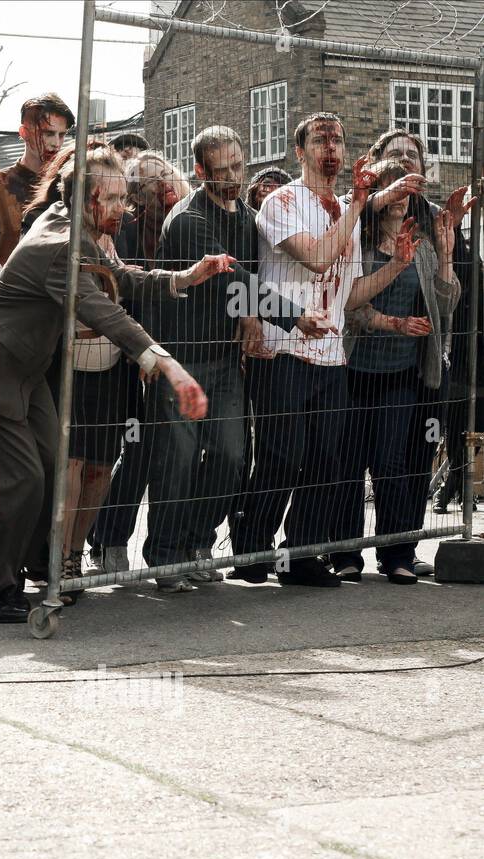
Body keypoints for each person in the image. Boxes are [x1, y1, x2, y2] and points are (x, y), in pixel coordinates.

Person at [0, 142, 226, 622]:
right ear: (87, 197)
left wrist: (184, 278)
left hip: (23, 366)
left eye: (124, 198)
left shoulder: (75, 226)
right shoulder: (59, 247)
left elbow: (117, 279)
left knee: (49, 468)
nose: (124, 209)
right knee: (23, 478)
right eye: (113, 200)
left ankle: (24, 570)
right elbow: (106, 312)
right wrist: (170, 367)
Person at [143, 126, 325, 592]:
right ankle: (164, 555)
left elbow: (245, 281)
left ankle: (198, 541)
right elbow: (230, 277)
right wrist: (293, 316)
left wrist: (248, 320)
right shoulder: (187, 220)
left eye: (237, 167)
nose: (233, 178)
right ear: (200, 171)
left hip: (224, 361)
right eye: (221, 171)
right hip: (181, 358)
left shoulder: (247, 218)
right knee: (178, 458)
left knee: (231, 454)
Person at [230, 113, 400, 587]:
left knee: (327, 460)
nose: (331, 147)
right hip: (283, 351)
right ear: (299, 152)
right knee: (282, 455)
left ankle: (299, 555)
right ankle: (250, 549)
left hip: (331, 358)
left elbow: (347, 293)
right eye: (320, 139)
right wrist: (359, 205)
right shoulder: (281, 202)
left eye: (338, 140)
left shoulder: (348, 210)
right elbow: (318, 258)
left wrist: (398, 264)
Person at [330, 158, 460, 582]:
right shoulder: (356, 244)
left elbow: (444, 307)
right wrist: (393, 323)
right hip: (353, 370)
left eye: (409, 192)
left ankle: (397, 553)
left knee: (392, 463)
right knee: (348, 464)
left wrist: (444, 258)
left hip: (401, 373)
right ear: (381, 197)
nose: (403, 199)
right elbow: (350, 306)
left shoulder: (421, 243)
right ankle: (346, 554)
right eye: (395, 190)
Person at [81, 150, 193, 579]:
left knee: (173, 452)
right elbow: (123, 286)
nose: (158, 186)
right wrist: (139, 350)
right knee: (136, 450)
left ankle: (170, 545)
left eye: (162, 175)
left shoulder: (184, 221)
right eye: (144, 182)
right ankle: (107, 539)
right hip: (132, 352)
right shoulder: (125, 226)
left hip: (181, 348)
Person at [0, 93, 74, 264]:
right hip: (7, 284)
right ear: (24, 132)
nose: (56, 143)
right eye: (48, 133)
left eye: (62, 135)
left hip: (56, 283)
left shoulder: (67, 183)